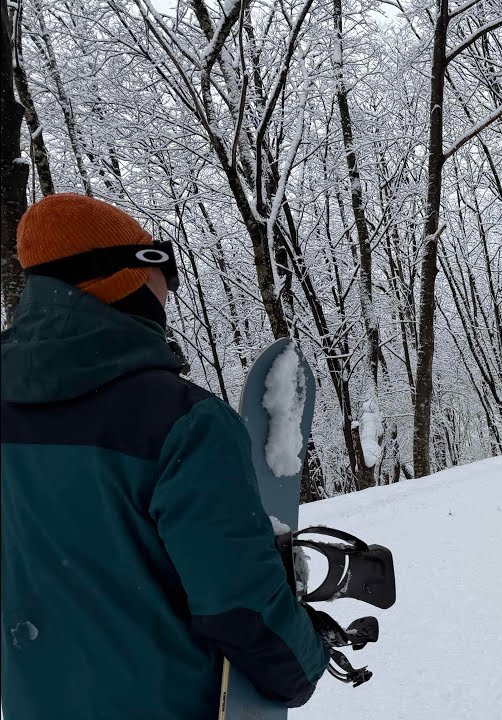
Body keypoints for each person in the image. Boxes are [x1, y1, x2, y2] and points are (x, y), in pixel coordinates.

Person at [1, 194, 329, 719]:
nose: (169, 294)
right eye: (164, 274)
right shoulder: (182, 421)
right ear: (128, 277)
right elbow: (239, 604)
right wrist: (307, 661)